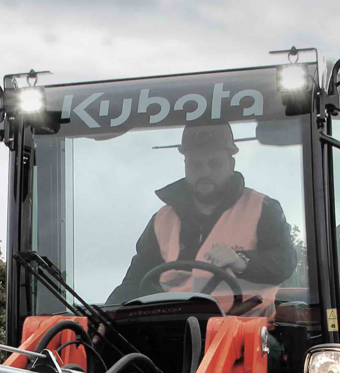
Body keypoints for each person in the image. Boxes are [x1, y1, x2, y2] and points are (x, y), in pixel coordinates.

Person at [107, 121, 299, 307]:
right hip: (175, 328)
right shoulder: (162, 220)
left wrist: (242, 261)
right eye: (195, 165)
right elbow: (134, 281)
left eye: (214, 164)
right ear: (185, 165)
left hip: (248, 329)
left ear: (231, 164)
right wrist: (105, 317)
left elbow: (284, 262)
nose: (205, 172)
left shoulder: (263, 208)